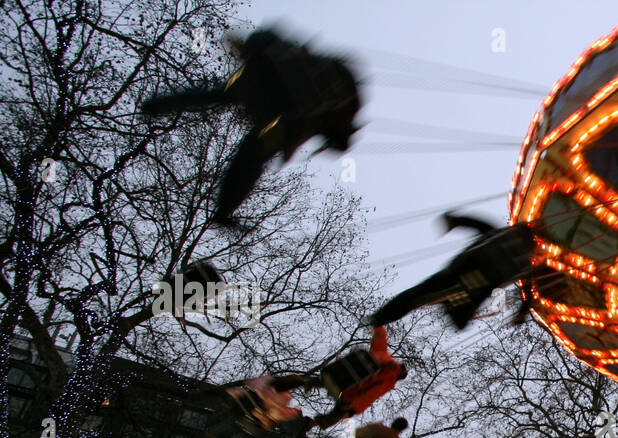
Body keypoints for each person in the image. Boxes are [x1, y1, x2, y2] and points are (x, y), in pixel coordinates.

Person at [141, 27, 361, 228]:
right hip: (276, 85)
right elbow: (249, 162)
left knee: (221, 95)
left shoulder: (337, 99)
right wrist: (224, 211)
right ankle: (159, 105)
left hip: (267, 67)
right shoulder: (314, 119)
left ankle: (158, 104)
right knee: (252, 143)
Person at [369, 214, 536, 330]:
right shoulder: (524, 265)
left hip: (458, 274)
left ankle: (380, 317)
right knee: (455, 314)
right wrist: (521, 314)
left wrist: (455, 220)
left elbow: (478, 224)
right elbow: (527, 291)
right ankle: (452, 309)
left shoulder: (497, 234)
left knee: (417, 296)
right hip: (476, 288)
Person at [310, 326, 408, 431]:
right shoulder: (389, 381)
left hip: (339, 375)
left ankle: (300, 382)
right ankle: (308, 425)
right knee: (333, 417)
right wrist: (354, 410)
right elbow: (371, 394)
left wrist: (379, 324)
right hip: (348, 395)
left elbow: (380, 340)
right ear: (399, 377)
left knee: (318, 382)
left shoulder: (385, 357)